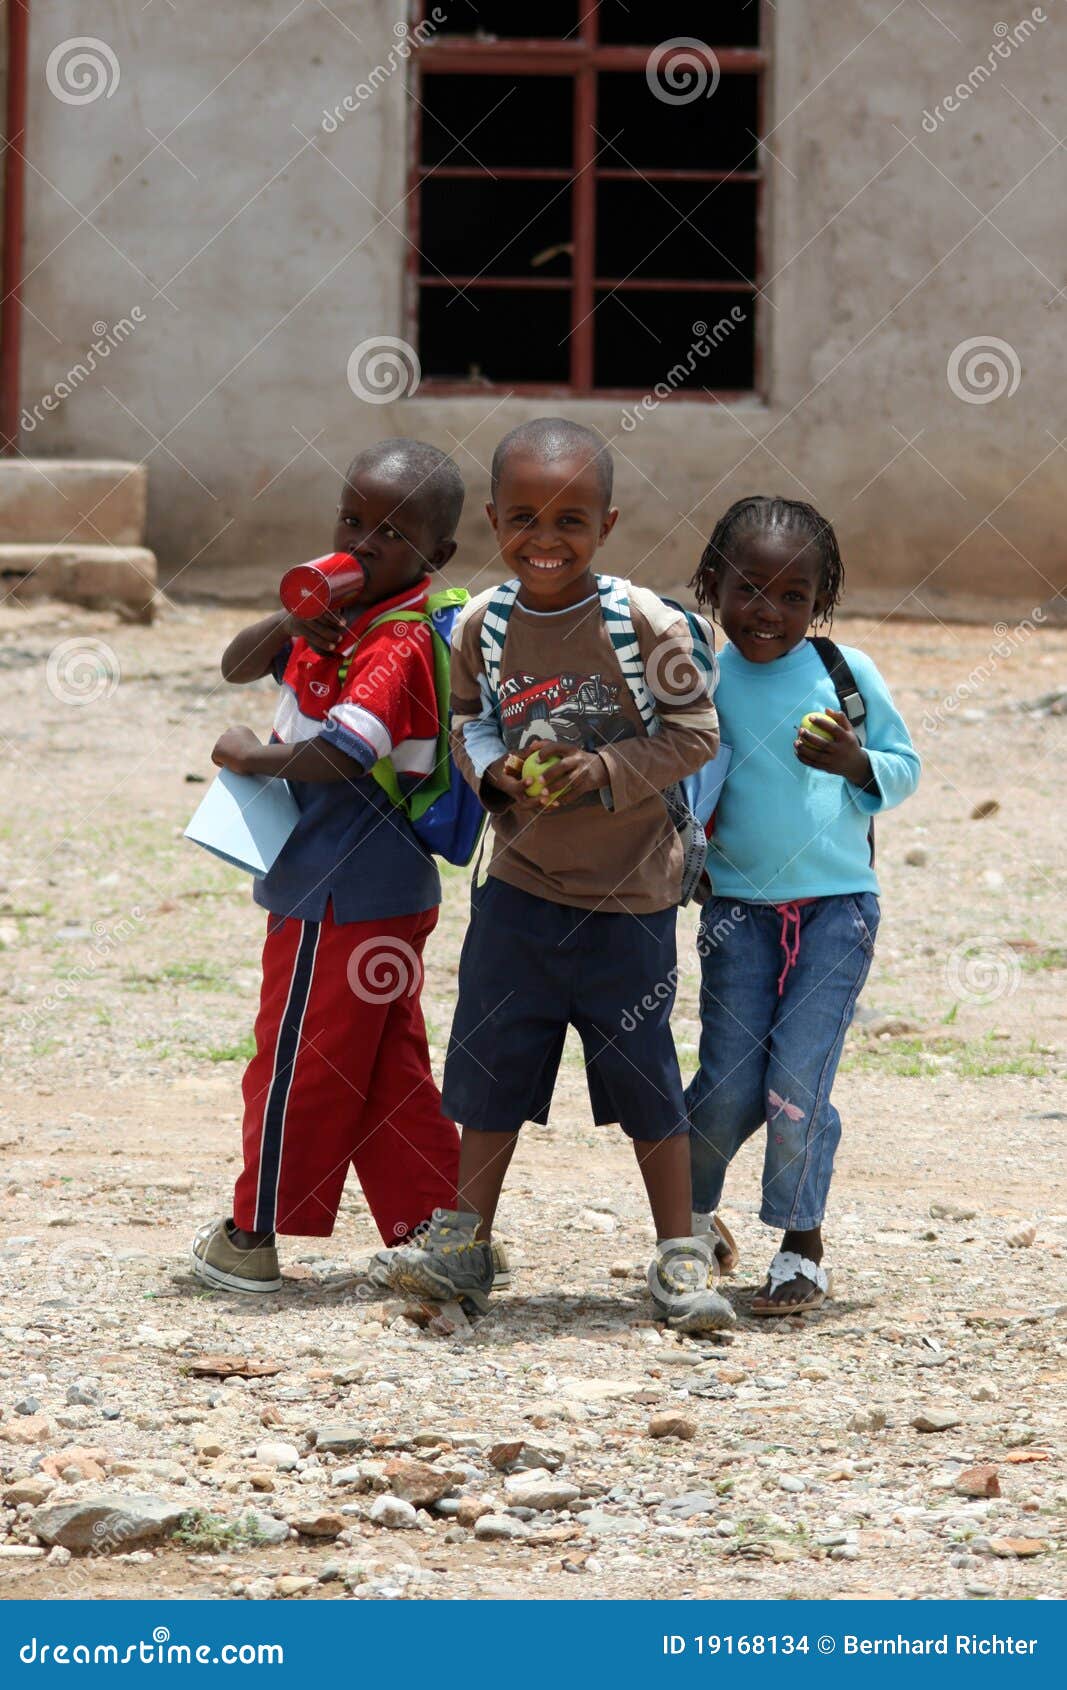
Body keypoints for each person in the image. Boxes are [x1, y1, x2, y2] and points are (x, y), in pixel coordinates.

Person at [388, 418, 734, 1331]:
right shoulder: (481, 626)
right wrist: (496, 771)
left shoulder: (644, 623)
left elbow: (696, 732)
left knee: (645, 1077)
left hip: (629, 898)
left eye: (571, 520)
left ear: (607, 525)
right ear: (494, 520)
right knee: (490, 1067)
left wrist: (605, 767)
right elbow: (469, 722)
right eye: (524, 519)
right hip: (520, 890)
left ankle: (679, 1252)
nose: (546, 540)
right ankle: (463, 1244)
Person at [190, 440, 464, 1294]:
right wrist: (290, 618)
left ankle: (252, 1234)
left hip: (337, 894)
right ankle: (440, 1236)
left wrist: (249, 756)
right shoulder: (338, 619)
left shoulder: (397, 642)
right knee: (383, 1067)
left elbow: (346, 754)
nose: (362, 543)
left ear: (437, 555)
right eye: (351, 520)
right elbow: (235, 664)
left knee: (295, 1061)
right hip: (373, 893)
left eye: (391, 533)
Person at [684, 495, 920, 1315]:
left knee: (794, 1083)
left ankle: (800, 1245)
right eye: (748, 588)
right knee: (726, 1084)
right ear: (712, 584)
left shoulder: (843, 673)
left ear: (820, 600)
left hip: (835, 913)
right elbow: (680, 781)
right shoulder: (701, 681)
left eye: (793, 595)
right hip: (735, 914)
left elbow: (903, 767)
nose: (767, 611)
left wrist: (857, 763)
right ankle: (688, 1220)